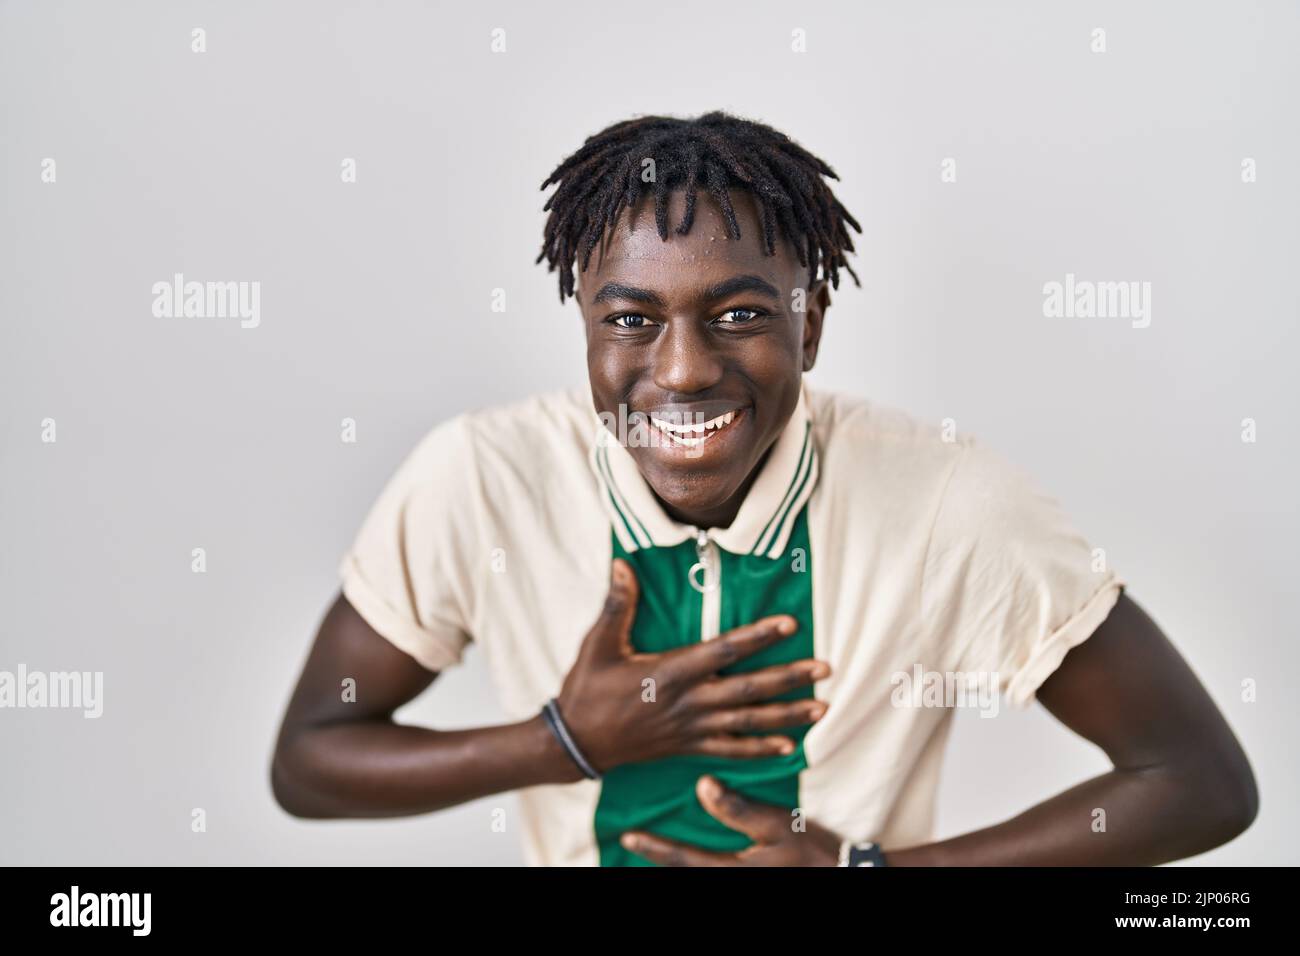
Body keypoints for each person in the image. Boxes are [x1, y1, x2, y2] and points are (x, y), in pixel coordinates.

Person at [271, 111, 1257, 866]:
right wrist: (561, 739)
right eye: (632, 320)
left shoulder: (947, 501)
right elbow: (311, 759)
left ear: (810, 326)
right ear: (583, 320)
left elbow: (1197, 779)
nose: (686, 369)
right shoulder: (482, 478)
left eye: (738, 312)